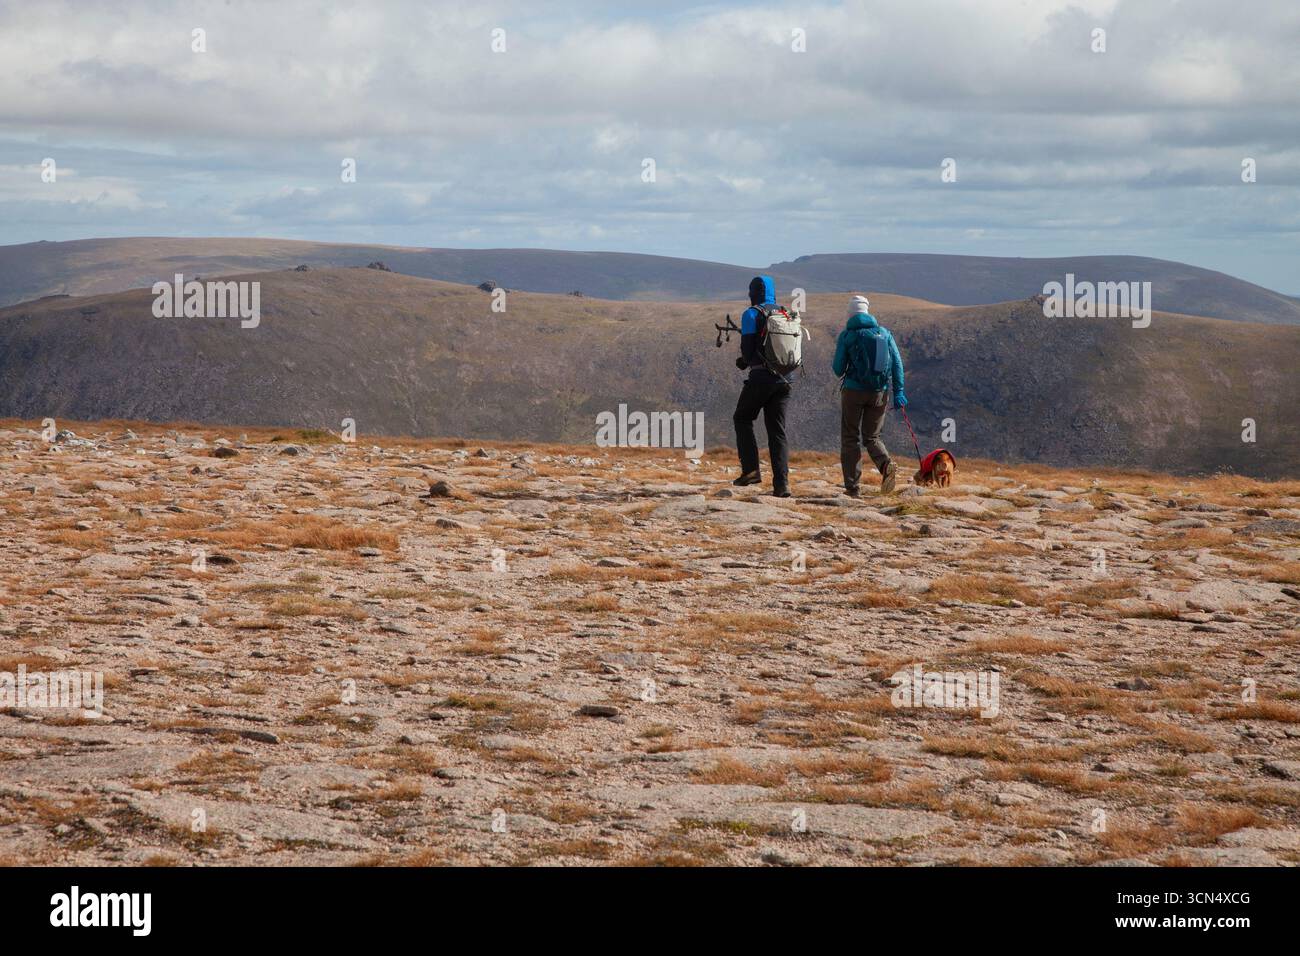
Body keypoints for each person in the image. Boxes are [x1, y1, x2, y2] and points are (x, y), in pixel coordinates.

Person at [831, 295, 906, 496]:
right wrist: (899, 391)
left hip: (853, 392)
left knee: (850, 437)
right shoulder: (884, 333)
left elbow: (838, 369)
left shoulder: (847, 335)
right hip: (879, 393)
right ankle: (886, 465)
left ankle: (852, 487)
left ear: (850, 313)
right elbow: (897, 364)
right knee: (872, 436)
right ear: (867, 311)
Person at [732, 275, 792, 497]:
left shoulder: (751, 313)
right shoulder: (785, 312)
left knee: (743, 418)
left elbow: (748, 353)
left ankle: (751, 471)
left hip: (761, 378)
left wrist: (744, 361)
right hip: (785, 380)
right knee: (778, 431)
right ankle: (782, 485)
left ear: (753, 292)